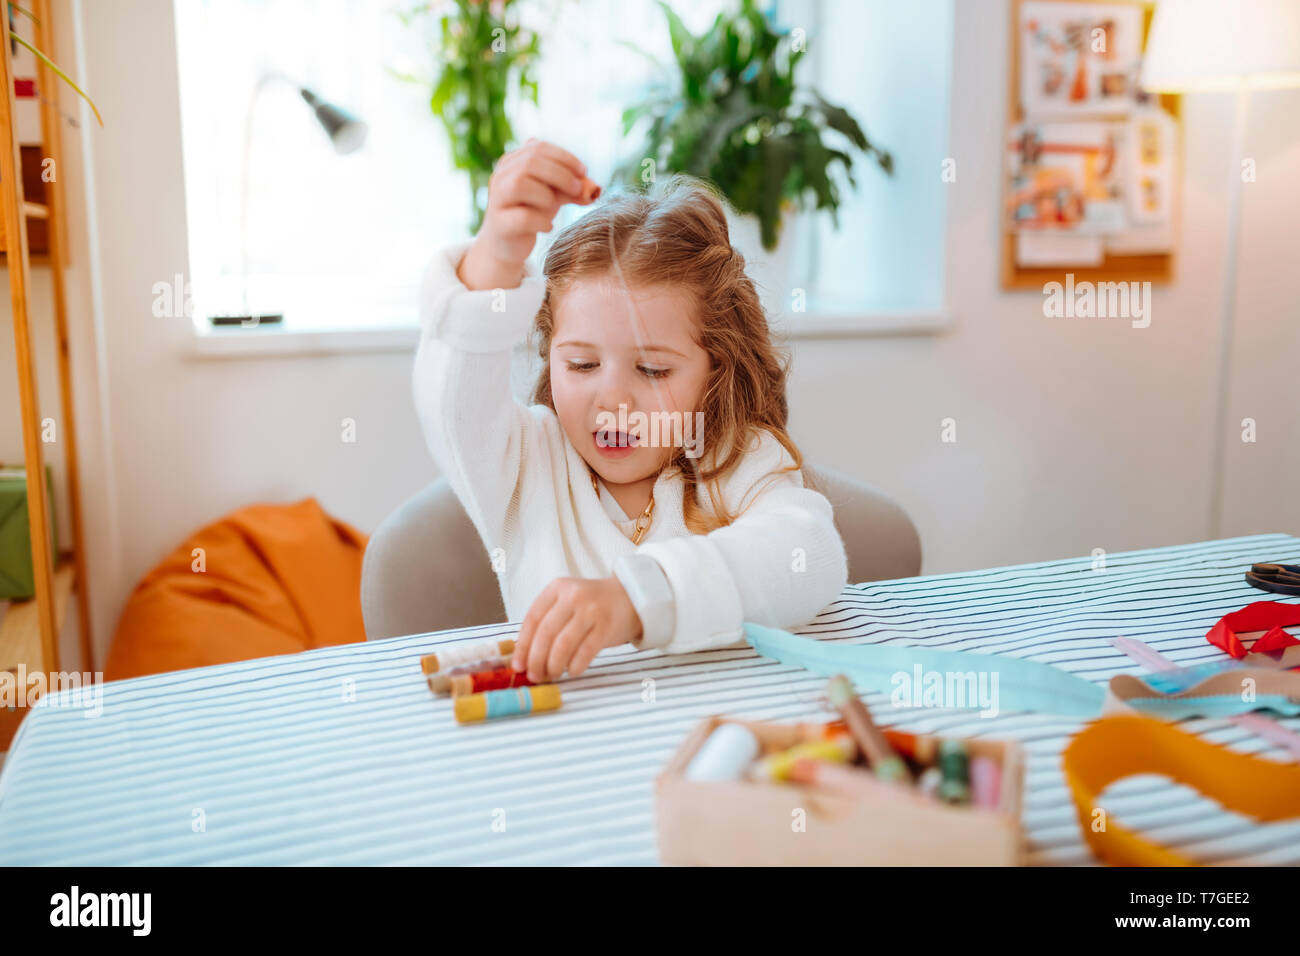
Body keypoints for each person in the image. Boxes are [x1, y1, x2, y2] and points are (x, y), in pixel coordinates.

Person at [413, 137, 848, 682]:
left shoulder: (732, 457)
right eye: (581, 366)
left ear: (716, 366)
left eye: (652, 370)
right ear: (550, 356)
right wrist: (498, 252)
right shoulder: (524, 461)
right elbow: (453, 403)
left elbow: (807, 555)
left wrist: (634, 600)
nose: (613, 400)